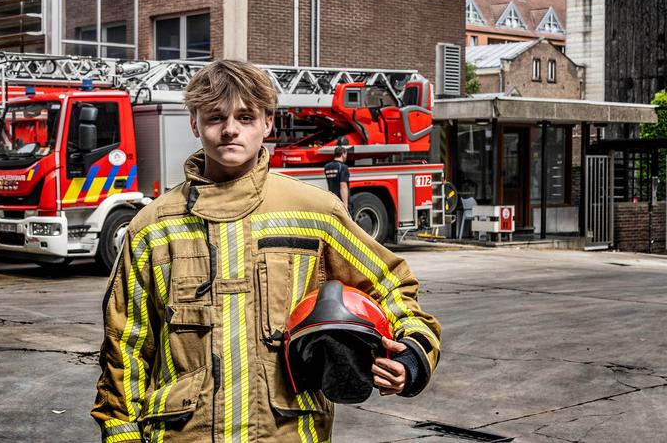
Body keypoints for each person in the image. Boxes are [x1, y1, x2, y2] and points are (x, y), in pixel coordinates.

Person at [92, 60, 441, 442]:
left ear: (268, 123)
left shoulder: (314, 212)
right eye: (214, 117)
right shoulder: (153, 226)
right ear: (194, 123)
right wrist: (121, 432)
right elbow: (126, 344)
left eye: (245, 117)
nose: (229, 129)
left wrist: (410, 354)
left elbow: (392, 286)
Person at [323, 145, 351, 213]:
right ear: (343, 154)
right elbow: (343, 186)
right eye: (346, 154)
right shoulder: (343, 167)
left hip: (332, 200)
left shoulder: (327, 166)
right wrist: (345, 206)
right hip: (340, 202)